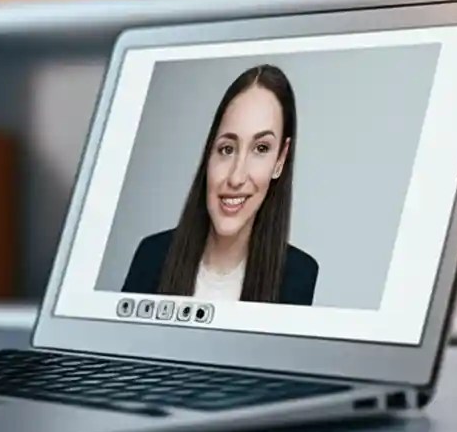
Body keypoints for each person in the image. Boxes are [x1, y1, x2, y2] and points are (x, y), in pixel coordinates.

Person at [121, 64, 318, 305]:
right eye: (227, 149)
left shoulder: (299, 276)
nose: (236, 178)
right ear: (209, 153)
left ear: (280, 160)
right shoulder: (152, 256)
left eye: (261, 149)